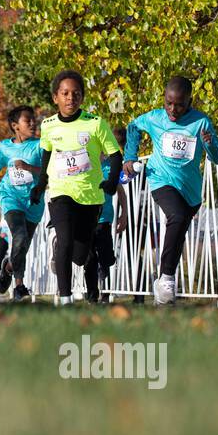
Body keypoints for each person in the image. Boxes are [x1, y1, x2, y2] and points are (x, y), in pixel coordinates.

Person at [124, 78, 218, 304]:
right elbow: (133, 127)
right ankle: (168, 278)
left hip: (190, 191)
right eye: (168, 103)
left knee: (177, 234)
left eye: (179, 104)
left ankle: (162, 284)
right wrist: (130, 156)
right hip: (161, 180)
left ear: (190, 100)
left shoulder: (201, 122)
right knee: (176, 217)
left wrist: (209, 144)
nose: (172, 110)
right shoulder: (155, 118)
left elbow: (217, 158)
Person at [30, 70, 123, 305]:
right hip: (61, 191)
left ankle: (66, 252)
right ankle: (65, 297)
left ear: (82, 97)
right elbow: (46, 155)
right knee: (65, 241)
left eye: (76, 93)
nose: (70, 98)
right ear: (55, 98)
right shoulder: (49, 125)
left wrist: (112, 181)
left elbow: (114, 154)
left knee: (81, 255)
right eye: (65, 93)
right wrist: (41, 185)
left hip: (91, 196)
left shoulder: (95, 124)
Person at [0, 105, 47, 301]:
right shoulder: (5, 146)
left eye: (34, 120)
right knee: (19, 237)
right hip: (11, 196)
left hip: (34, 200)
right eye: (28, 120)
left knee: (22, 246)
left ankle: (8, 268)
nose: (33, 123)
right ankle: (19, 286)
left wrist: (27, 167)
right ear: (15, 126)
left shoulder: (40, 145)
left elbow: (47, 171)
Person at [85, 127, 130, 303]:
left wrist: (124, 215)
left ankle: (105, 288)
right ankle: (93, 295)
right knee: (89, 258)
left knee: (106, 257)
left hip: (105, 218)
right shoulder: (84, 165)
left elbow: (121, 193)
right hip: (87, 217)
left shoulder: (111, 167)